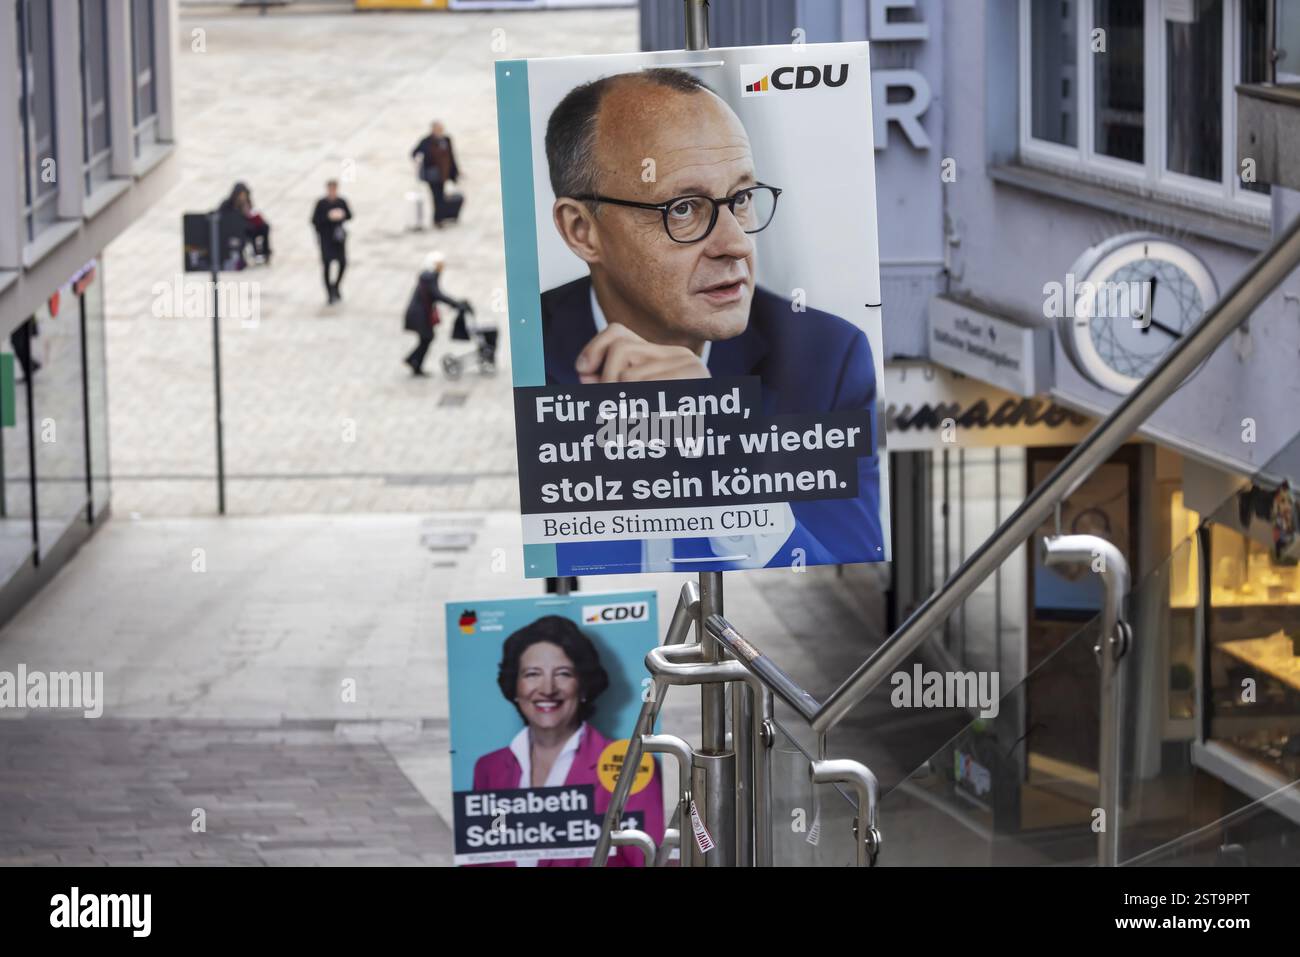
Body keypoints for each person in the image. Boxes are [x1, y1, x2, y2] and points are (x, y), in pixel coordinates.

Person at [539, 67, 882, 572]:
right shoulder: (530, 364)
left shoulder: (826, 358)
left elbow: (847, 570)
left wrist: (725, 466)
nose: (736, 244)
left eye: (741, 199)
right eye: (683, 209)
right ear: (581, 230)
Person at [472, 616, 663, 867]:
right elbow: (478, 857)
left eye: (563, 674)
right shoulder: (489, 769)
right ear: (514, 688)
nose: (547, 689)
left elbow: (651, 861)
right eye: (532, 674)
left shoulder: (630, 764)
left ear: (583, 686)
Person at [403, 251, 464, 376]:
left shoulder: (429, 276)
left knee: (426, 339)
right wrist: (455, 303)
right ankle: (413, 361)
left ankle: (414, 361)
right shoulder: (429, 278)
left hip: (421, 313)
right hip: (420, 315)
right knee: (427, 338)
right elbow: (437, 294)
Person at [411, 121, 461, 229]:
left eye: (441, 129)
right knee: (437, 197)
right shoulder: (427, 141)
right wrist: (419, 160)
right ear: (433, 129)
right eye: (438, 129)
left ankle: (440, 218)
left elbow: (451, 156)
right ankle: (438, 219)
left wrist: (455, 172)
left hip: (443, 174)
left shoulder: (446, 140)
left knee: (441, 196)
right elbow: (415, 152)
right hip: (432, 175)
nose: (440, 131)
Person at [311, 180, 352, 304]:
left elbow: (350, 215)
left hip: (338, 238)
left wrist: (342, 215)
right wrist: (328, 217)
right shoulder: (321, 203)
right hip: (326, 238)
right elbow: (314, 220)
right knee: (327, 265)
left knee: (343, 263)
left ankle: (336, 286)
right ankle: (329, 292)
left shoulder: (341, 202)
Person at [219, 182, 271, 264]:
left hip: (247, 228)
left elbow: (250, 215)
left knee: (264, 227)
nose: (243, 197)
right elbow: (223, 218)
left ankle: (265, 252)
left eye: (244, 194)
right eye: (241, 194)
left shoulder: (247, 202)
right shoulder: (227, 204)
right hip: (234, 231)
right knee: (250, 230)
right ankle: (255, 253)